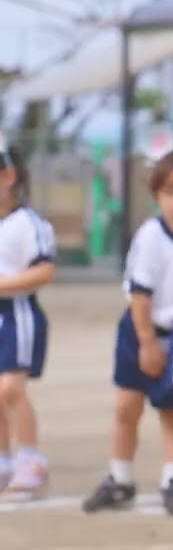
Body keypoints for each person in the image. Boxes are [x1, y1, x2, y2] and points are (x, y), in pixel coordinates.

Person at [83, 149, 173, 516]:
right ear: (157, 197)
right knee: (127, 406)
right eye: (170, 194)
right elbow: (140, 295)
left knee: (172, 412)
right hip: (142, 330)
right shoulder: (153, 236)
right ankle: (120, 477)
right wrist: (147, 343)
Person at [0, 143, 57, 496]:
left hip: (17, 313)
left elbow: (45, 270)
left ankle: (30, 458)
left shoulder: (28, 224)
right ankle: (4, 460)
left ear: (9, 176)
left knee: (10, 388)